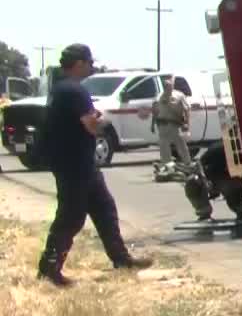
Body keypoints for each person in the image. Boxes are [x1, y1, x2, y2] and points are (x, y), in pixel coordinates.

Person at [37, 44, 149, 285]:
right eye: (89, 62)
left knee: (104, 209)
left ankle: (121, 259)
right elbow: (90, 124)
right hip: (74, 164)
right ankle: (49, 268)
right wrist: (103, 123)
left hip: (80, 163)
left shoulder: (62, 89)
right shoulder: (75, 90)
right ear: (79, 64)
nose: (91, 66)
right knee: (71, 216)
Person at [152, 75, 192, 179]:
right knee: (164, 146)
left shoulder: (179, 95)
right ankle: (167, 167)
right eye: (166, 86)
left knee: (181, 145)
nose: (167, 87)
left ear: (173, 86)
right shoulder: (160, 96)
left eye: (169, 85)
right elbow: (155, 110)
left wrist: (187, 123)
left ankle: (188, 165)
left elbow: (187, 109)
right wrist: (153, 124)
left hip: (174, 124)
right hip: (163, 125)